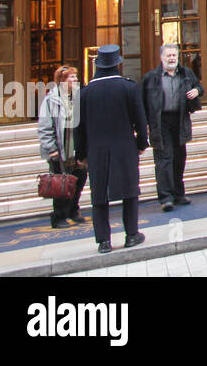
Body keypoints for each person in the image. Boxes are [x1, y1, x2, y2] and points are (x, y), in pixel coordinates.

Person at [77, 44, 148, 254]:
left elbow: (79, 128)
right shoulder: (128, 87)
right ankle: (132, 234)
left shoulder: (85, 92)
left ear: (98, 65)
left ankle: (103, 241)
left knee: (99, 195)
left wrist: (80, 154)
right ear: (117, 64)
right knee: (129, 191)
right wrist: (141, 144)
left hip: (96, 150)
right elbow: (140, 120)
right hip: (125, 147)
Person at [140, 43, 204, 212]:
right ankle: (166, 197)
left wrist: (197, 91)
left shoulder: (185, 73)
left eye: (174, 55)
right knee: (164, 160)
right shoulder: (150, 78)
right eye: (168, 55)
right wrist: (144, 124)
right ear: (161, 57)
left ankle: (178, 194)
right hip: (160, 122)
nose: (171, 58)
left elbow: (200, 87)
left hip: (180, 119)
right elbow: (142, 102)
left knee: (179, 159)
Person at [36, 66, 87, 229]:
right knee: (60, 183)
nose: (75, 80)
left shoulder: (80, 96)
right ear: (62, 81)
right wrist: (51, 148)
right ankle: (59, 216)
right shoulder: (51, 99)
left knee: (79, 179)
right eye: (71, 77)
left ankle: (73, 210)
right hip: (60, 148)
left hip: (76, 148)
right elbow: (44, 126)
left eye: (75, 77)